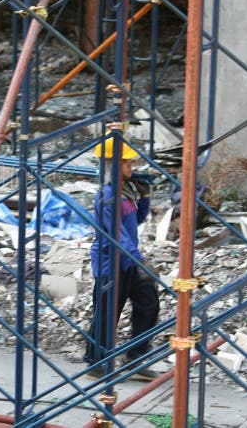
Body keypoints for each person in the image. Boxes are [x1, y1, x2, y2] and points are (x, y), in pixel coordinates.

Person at [84, 136, 159, 380]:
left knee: (148, 302)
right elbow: (118, 235)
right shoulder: (107, 196)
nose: (131, 167)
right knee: (108, 313)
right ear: (113, 165)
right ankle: (96, 362)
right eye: (127, 163)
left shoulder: (125, 192)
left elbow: (135, 221)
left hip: (127, 260)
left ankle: (135, 356)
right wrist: (140, 261)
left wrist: (145, 197)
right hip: (110, 262)